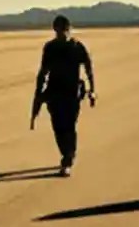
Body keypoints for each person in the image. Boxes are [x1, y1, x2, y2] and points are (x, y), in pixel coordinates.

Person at [32, 15, 95, 177]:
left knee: (69, 126)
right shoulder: (50, 48)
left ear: (69, 29)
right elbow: (43, 72)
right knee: (58, 128)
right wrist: (38, 95)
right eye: (59, 30)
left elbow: (88, 69)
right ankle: (66, 153)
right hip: (54, 94)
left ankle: (67, 158)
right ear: (55, 30)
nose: (62, 33)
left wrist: (92, 90)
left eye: (65, 30)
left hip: (72, 94)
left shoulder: (77, 47)